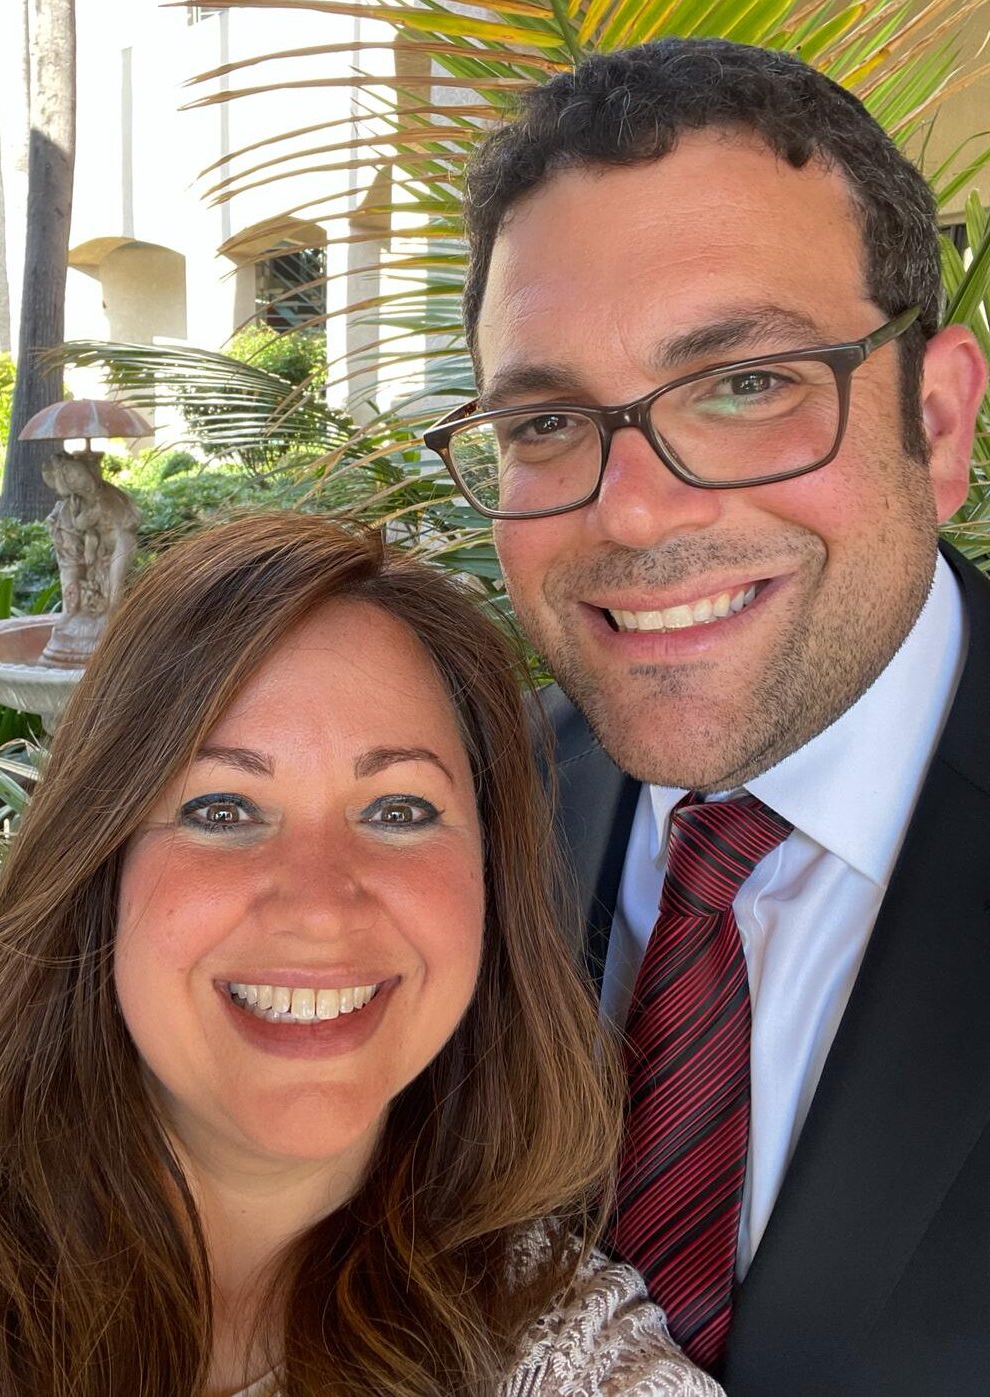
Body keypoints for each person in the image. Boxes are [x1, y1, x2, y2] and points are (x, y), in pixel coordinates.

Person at [0, 512, 720, 1397]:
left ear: (491, 877)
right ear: (101, 860)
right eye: (221, 810)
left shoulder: (555, 1333)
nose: (318, 907)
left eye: (397, 810)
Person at [425, 36, 990, 1396]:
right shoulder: (459, 818)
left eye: (745, 384)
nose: (631, 511)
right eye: (546, 421)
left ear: (938, 420)